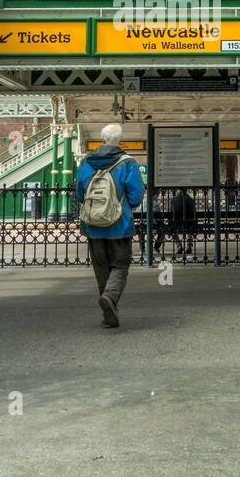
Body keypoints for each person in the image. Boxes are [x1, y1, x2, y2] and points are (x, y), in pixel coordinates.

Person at [75, 123, 144, 328]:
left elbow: (79, 193)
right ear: (119, 140)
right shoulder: (127, 163)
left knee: (101, 268)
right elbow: (136, 195)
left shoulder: (87, 162)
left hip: (92, 226)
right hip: (119, 225)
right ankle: (110, 297)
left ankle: (108, 313)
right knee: (120, 265)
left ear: (102, 139)